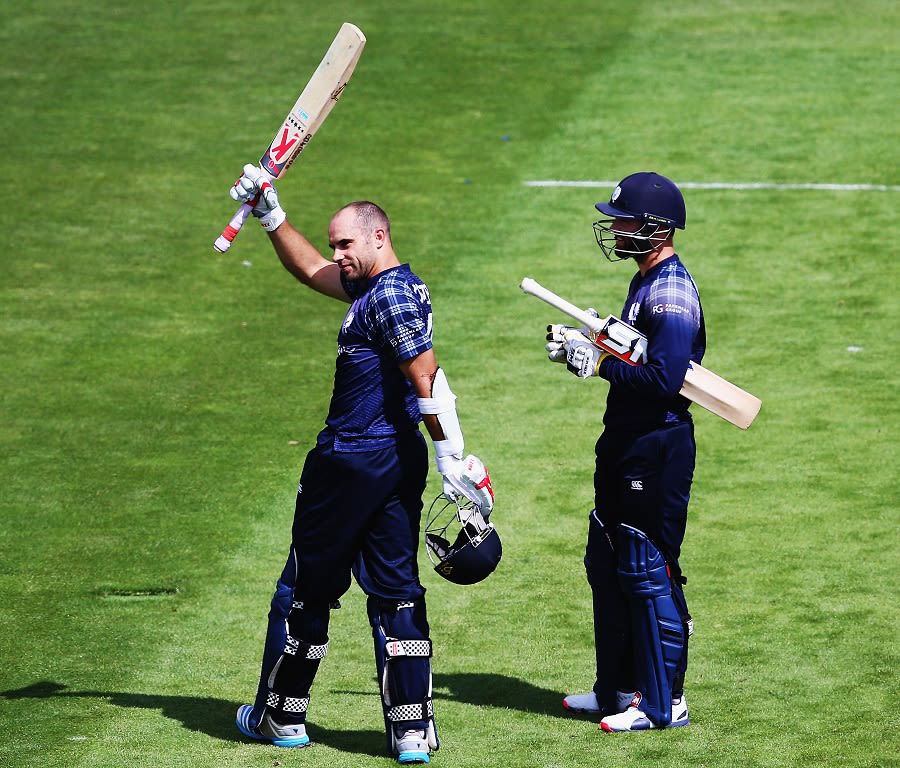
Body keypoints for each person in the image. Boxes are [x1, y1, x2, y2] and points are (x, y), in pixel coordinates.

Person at [226, 164, 494, 764]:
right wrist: (271, 214)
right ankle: (410, 731)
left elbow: (426, 375)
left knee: (303, 589)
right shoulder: (382, 289)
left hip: (350, 461)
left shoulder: (388, 294)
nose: (337, 255)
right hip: (395, 462)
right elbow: (309, 270)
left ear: (379, 236)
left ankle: (280, 716)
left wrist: (451, 455)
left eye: (346, 243)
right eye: (334, 245)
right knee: (397, 593)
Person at [544, 172, 702, 732]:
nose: (616, 229)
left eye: (625, 220)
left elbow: (663, 379)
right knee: (608, 563)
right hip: (625, 442)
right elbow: (636, 354)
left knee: (646, 565)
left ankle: (664, 703)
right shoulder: (645, 280)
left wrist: (600, 366)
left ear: (657, 228)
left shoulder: (671, 294)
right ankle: (617, 690)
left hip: (656, 449)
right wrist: (585, 345)